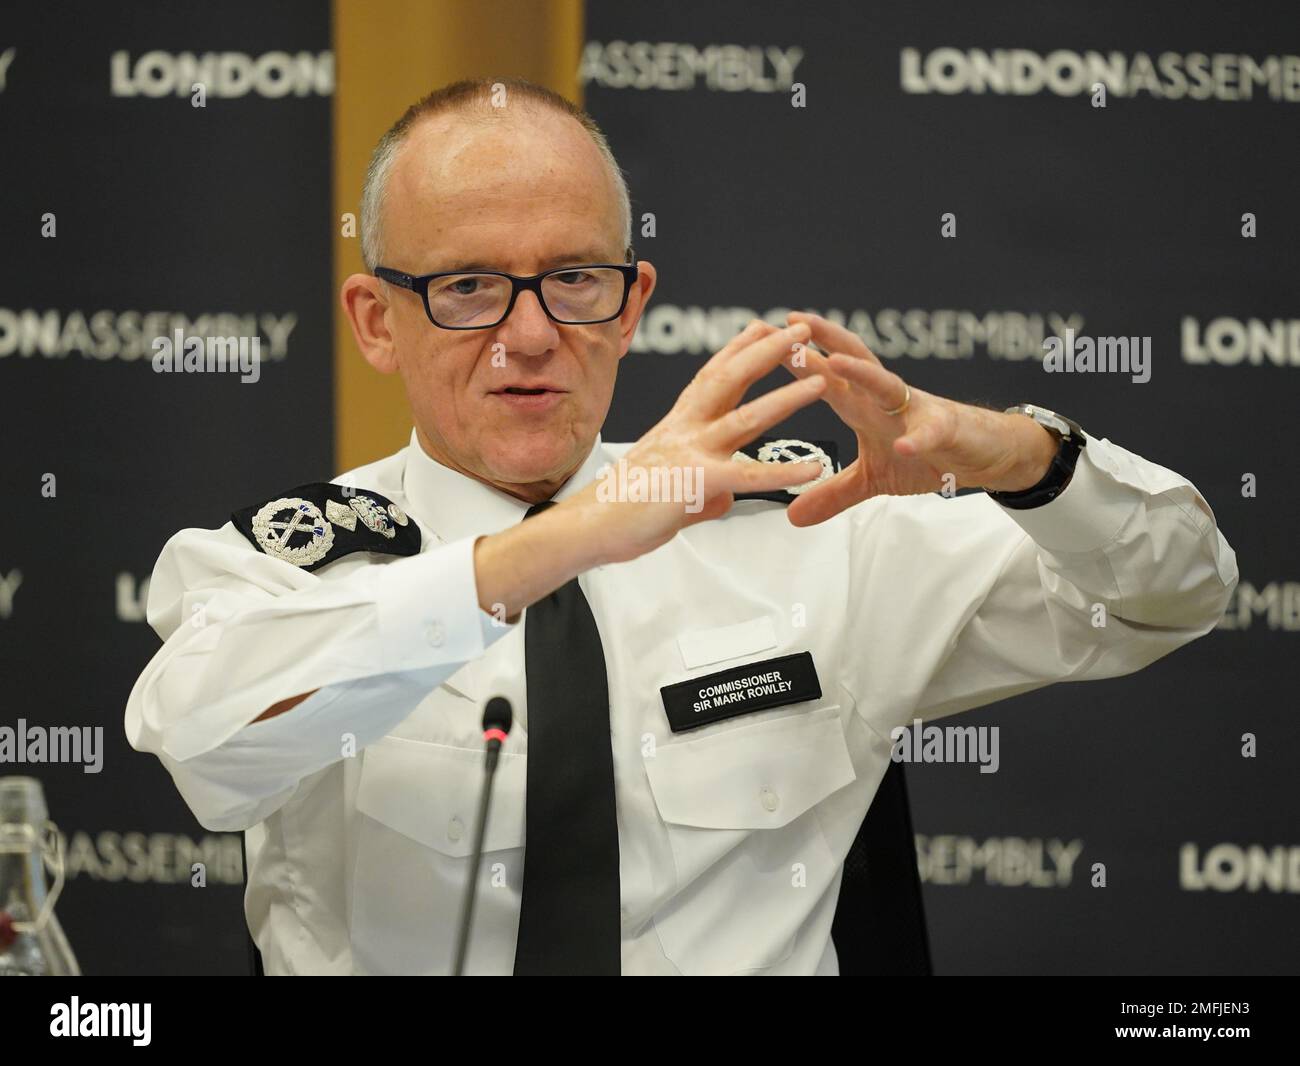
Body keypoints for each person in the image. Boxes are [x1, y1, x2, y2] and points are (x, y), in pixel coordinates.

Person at [125, 78, 1237, 976]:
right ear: (377, 320)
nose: (527, 335)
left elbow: (1172, 591)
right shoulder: (277, 562)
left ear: (633, 300)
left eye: (573, 279)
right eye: (467, 286)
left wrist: (1016, 455)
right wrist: (579, 536)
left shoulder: (808, 524)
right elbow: (210, 747)